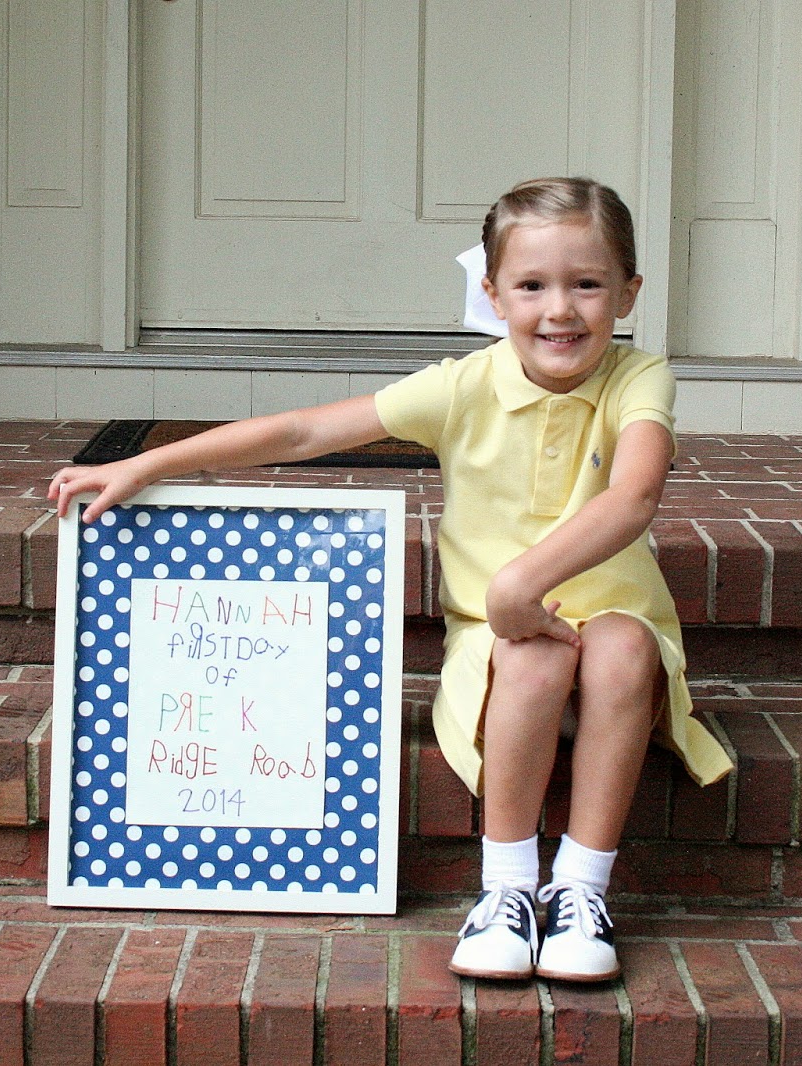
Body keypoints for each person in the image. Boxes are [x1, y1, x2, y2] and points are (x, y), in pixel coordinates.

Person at [48, 177, 732, 983]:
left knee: (618, 645)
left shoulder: (637, 378)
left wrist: (522, 579)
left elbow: (635, 494)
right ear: (493, 293)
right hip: (506, 655)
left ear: (628, 292)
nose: (561, 310)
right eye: (533, 286)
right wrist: (149, 461)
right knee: (533, 650)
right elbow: (304, 430)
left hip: (618, 659)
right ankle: (506, 891)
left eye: (587, 284)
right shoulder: (461, 387)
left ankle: (581, 893)